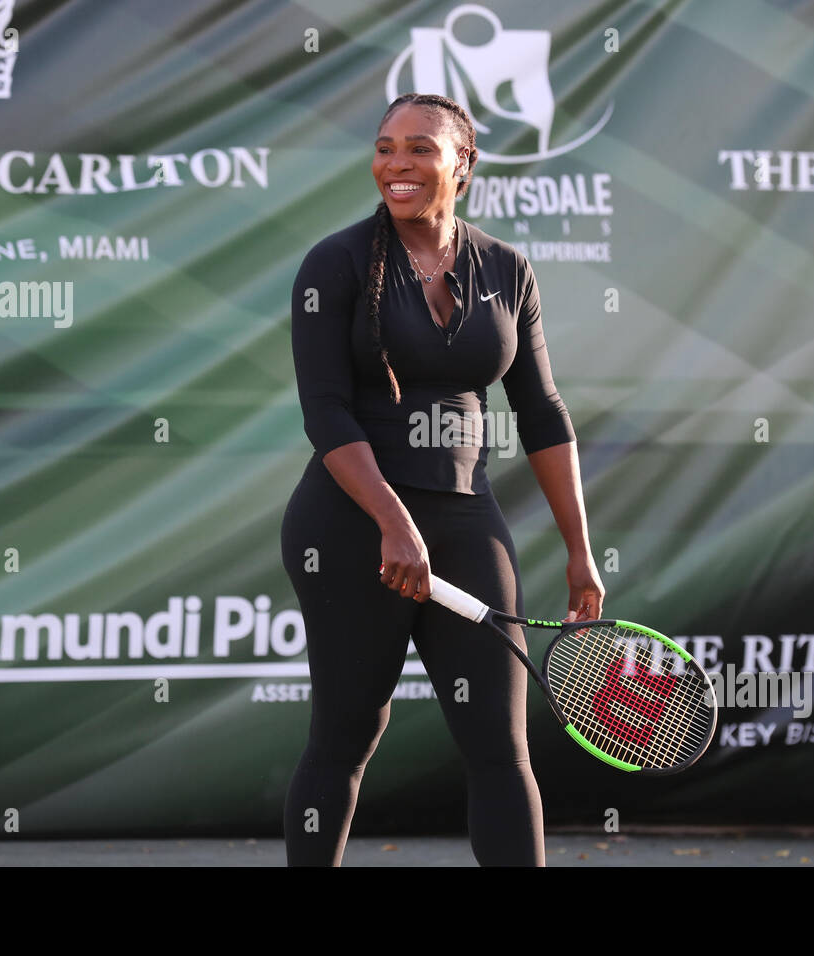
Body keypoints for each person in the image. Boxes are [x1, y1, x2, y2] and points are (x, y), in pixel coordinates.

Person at [280, 92, 604, 867]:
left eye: (421, 148)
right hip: (350, 522)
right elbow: (325, 412)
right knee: (347, 736)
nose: (397, 165)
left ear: (464, 164)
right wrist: (393, 522)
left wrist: (581, 553)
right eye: (386, 147)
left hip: (465, 519)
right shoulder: (336, 263)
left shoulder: (507, 269)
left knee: (499, 745)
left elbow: (543, 413)